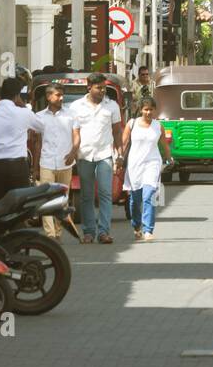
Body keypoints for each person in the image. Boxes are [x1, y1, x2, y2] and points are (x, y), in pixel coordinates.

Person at [68, 73, 122, 245]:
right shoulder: (76, 107)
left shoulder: (112, 106)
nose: (102, 91)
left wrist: (119, 154)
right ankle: (89, 232)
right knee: (87, 195)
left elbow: (117, 132)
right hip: (84, 155)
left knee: (105, 193)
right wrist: (73, 152)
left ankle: (104, 232)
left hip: (105, 153)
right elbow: (74, 132)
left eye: (104, 88)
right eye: (99, 88)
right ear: (89, 87)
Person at [29, 84, 74, 240]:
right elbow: (37, 143)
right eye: (57, 95)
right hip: (46, 163)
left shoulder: (70, 115)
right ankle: (50, 235)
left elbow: (77, 136)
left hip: (65, 163)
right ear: (49, 97)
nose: (61, 98)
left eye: (62, 95)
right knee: (46, 200)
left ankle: (59, 231)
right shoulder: (39, 117)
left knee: (62, 200)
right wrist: (34, 168)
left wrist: (73, 153)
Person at [122, 96, 170, 241]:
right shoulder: (132, 124)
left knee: (149, 195)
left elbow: (164, 145)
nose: (148, 112)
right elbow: (124, 144)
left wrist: (169, 158)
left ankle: (148, 230)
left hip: (152, 163)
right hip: (135, 165)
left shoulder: (158, 126)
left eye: (151, 109)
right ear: (141, 110)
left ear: (155, 110)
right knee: (135, 200)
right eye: (146, 109)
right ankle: (136, 226)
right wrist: (117, 160)